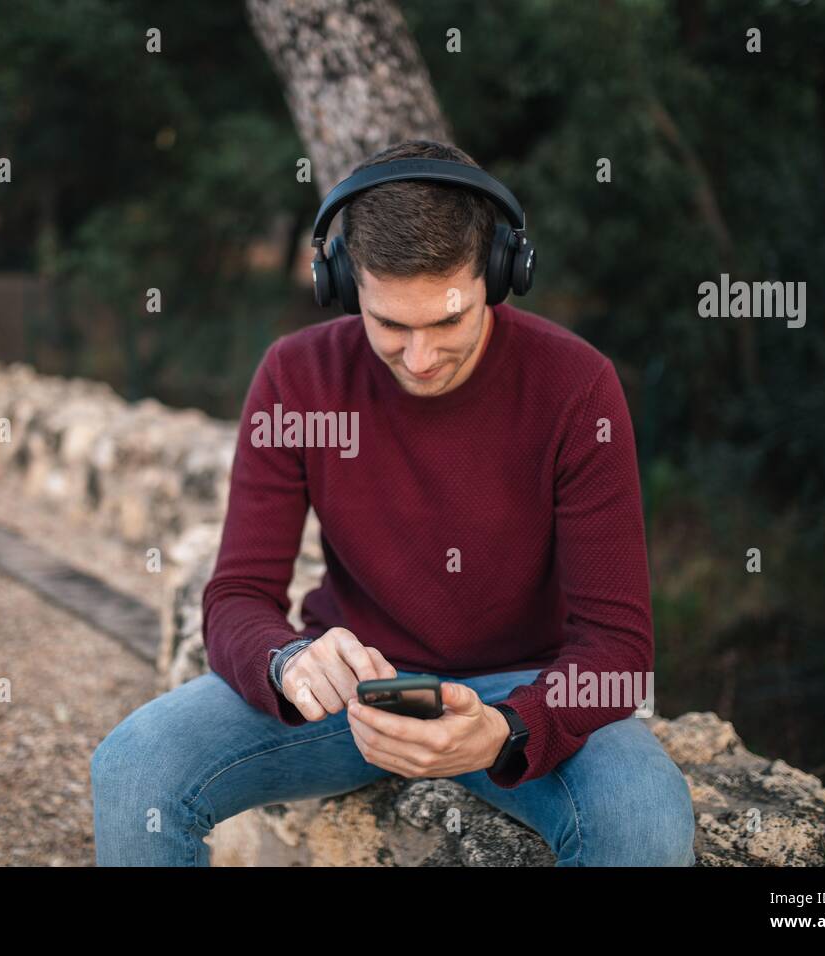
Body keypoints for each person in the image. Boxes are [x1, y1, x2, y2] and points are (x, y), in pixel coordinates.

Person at [91, 139, 696, 866]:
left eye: (448, 322)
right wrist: (289, 661)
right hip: (355, 691)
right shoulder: (295, 377)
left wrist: (508, 727)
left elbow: (620, 650)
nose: (419, 358)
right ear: (345, 287)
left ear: (501, 277)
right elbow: (238, 596)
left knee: (646, 823)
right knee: (133, 768)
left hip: (523, 692)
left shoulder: (578, 387)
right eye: (390, 326)